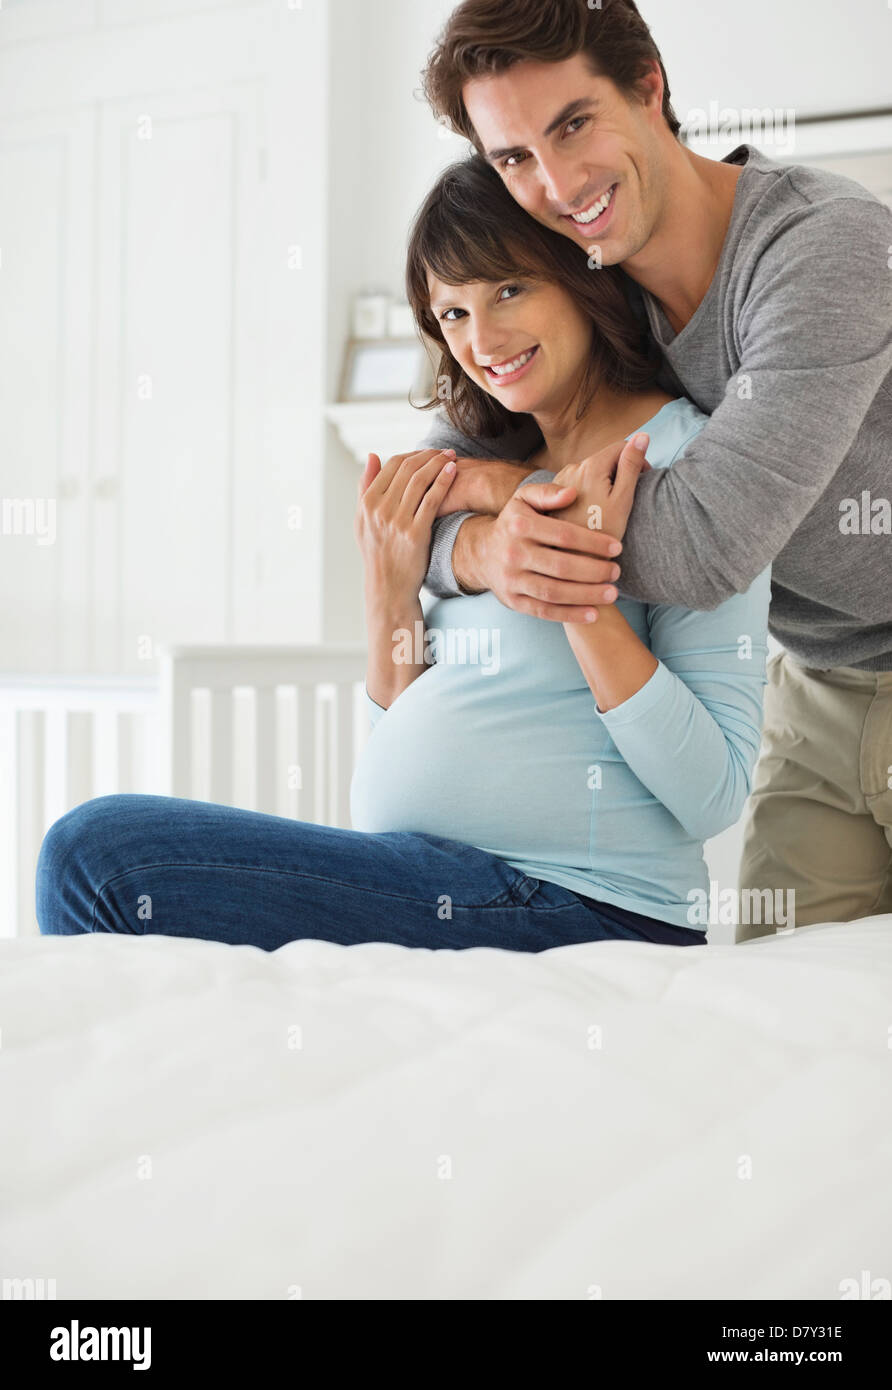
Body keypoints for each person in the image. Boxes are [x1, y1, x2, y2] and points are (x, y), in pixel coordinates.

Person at [36, 154, 769, 951]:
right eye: (451, 315)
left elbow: (715, 793)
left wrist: (575, 589)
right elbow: (398, 737)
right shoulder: (471, 467)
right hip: (442, 874)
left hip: (587, 904)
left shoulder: (688, 465)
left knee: (95, 859)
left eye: (508, 290)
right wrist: (390, 596)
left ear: (583, 276)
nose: (482, 340)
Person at [416, 0, 892, 938]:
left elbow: (708, 547)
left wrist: (509, 500)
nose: (556, 183)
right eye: (514, 158)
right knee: (779, 1031)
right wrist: (483, 547)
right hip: (821, 686)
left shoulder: (823, 247)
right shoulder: (591, 277)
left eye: (574, 124)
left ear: (649, 87)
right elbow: (422, 495)